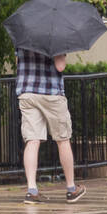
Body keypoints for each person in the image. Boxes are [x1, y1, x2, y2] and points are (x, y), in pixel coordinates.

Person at [16, 47, 85, 203]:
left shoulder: (22, 37)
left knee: (32, 141)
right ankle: (71, 189)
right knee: (63, 140)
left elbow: (17, 63)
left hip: (27, 92)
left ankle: (32, 190)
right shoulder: (56, 37)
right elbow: (60, 66)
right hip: (51, 93)